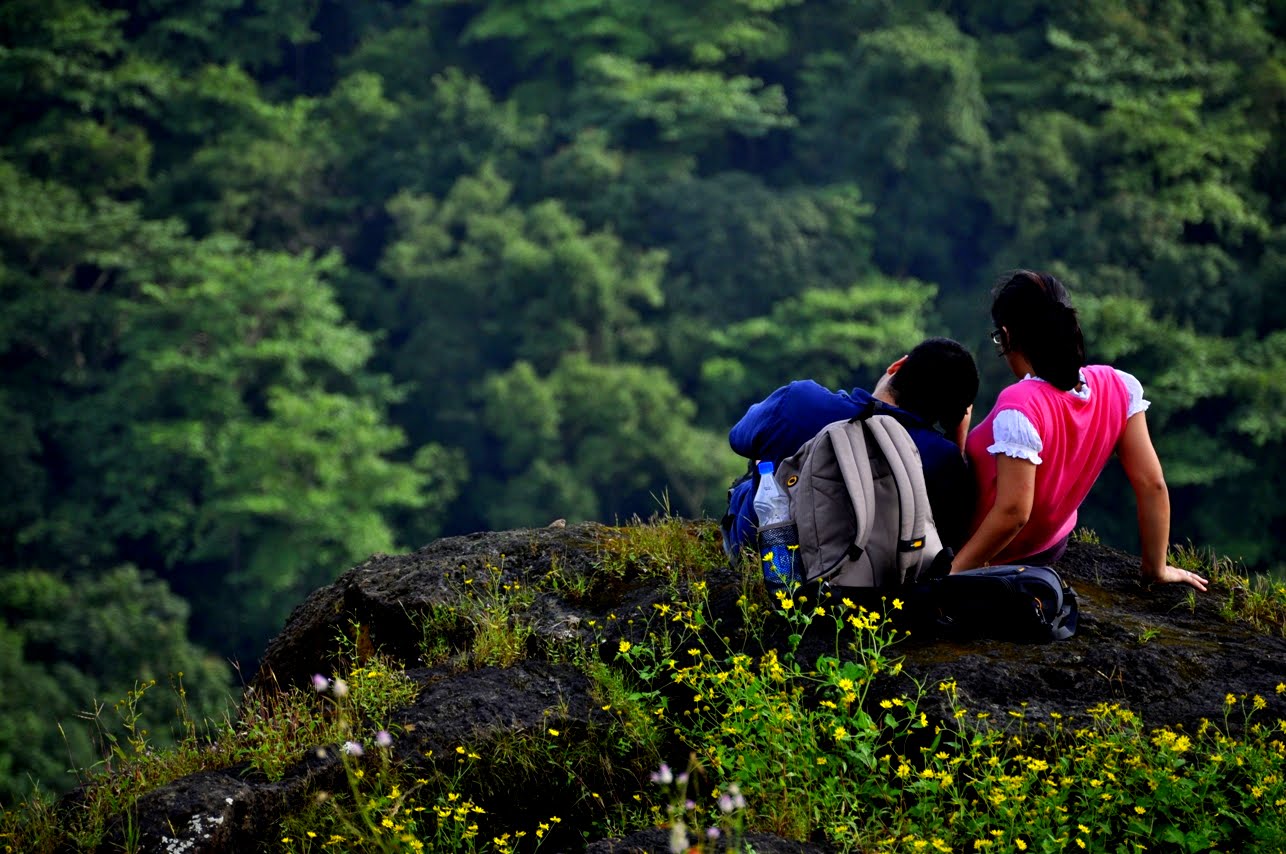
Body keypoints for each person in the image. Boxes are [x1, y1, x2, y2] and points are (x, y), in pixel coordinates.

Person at [949, 270, 1208, 591]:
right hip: (1050, 546)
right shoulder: (1118, 386)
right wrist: (1157, 568)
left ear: (1007, 335)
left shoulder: (1020, 405)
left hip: (995, 555)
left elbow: (1014, 512)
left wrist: (954, 574)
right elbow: (1151, 484)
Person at [722, 337, 979, 560]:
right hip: (869, 580)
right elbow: (950, 535)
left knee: (759, 467)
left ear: (897, 366)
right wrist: (956, 442)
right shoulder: (943, 461)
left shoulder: (800, 400)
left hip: (772, 558)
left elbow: (739, 438)